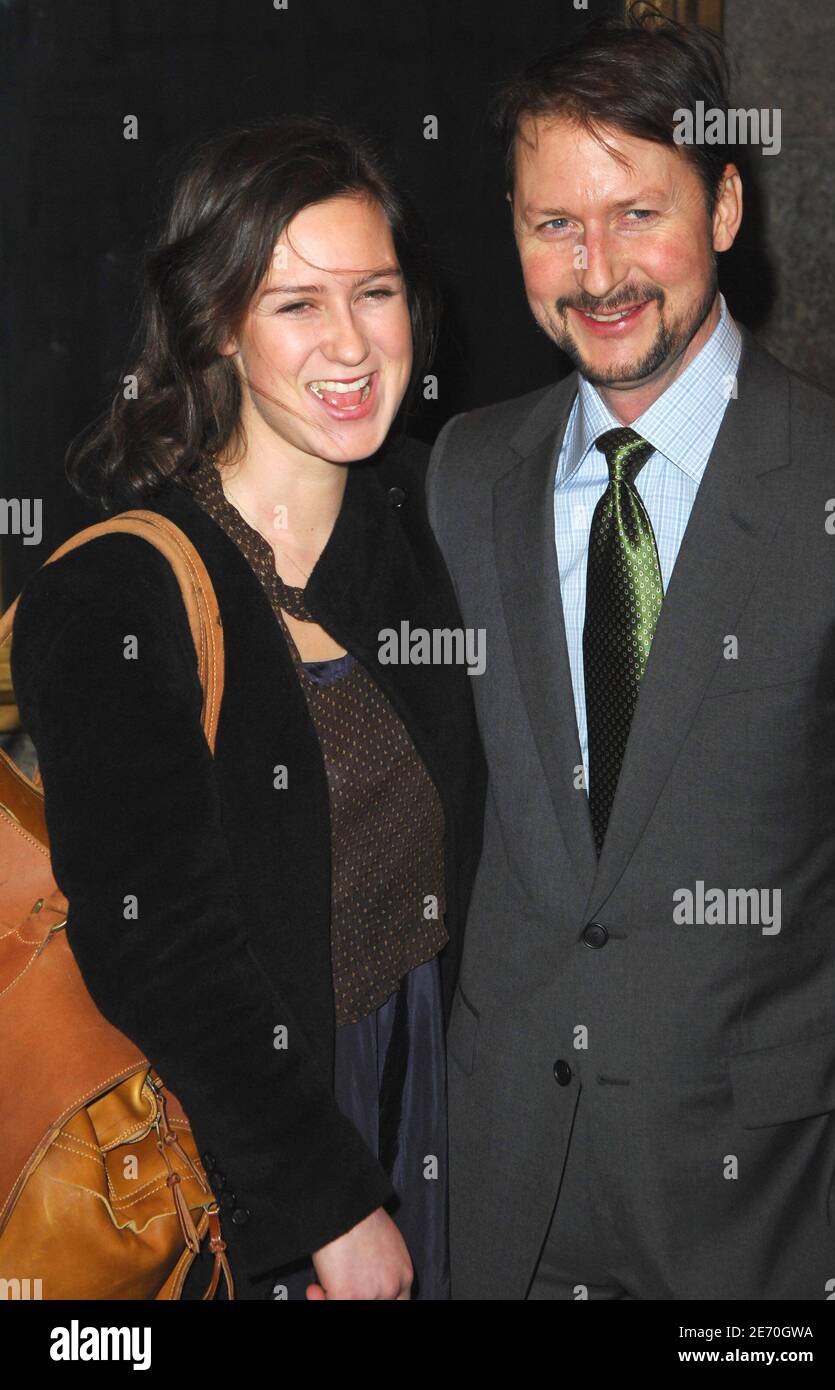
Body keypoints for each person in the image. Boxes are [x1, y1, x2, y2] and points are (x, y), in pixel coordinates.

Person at [11, 115, 486, 1301]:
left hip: (439, 1093)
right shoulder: (116, 588)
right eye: (296, 305)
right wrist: (323, 1206)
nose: (351, 344)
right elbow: (157, 943)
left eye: (373, 293)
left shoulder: (438, 519)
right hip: (250, 1145)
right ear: (219, 326)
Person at [427, 11, 835, 1300]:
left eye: (636, 213)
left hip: (765, 1215)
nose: (596, 268)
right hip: (501, 1196)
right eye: (551, 223)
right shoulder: (464, 475)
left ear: (724, 206)